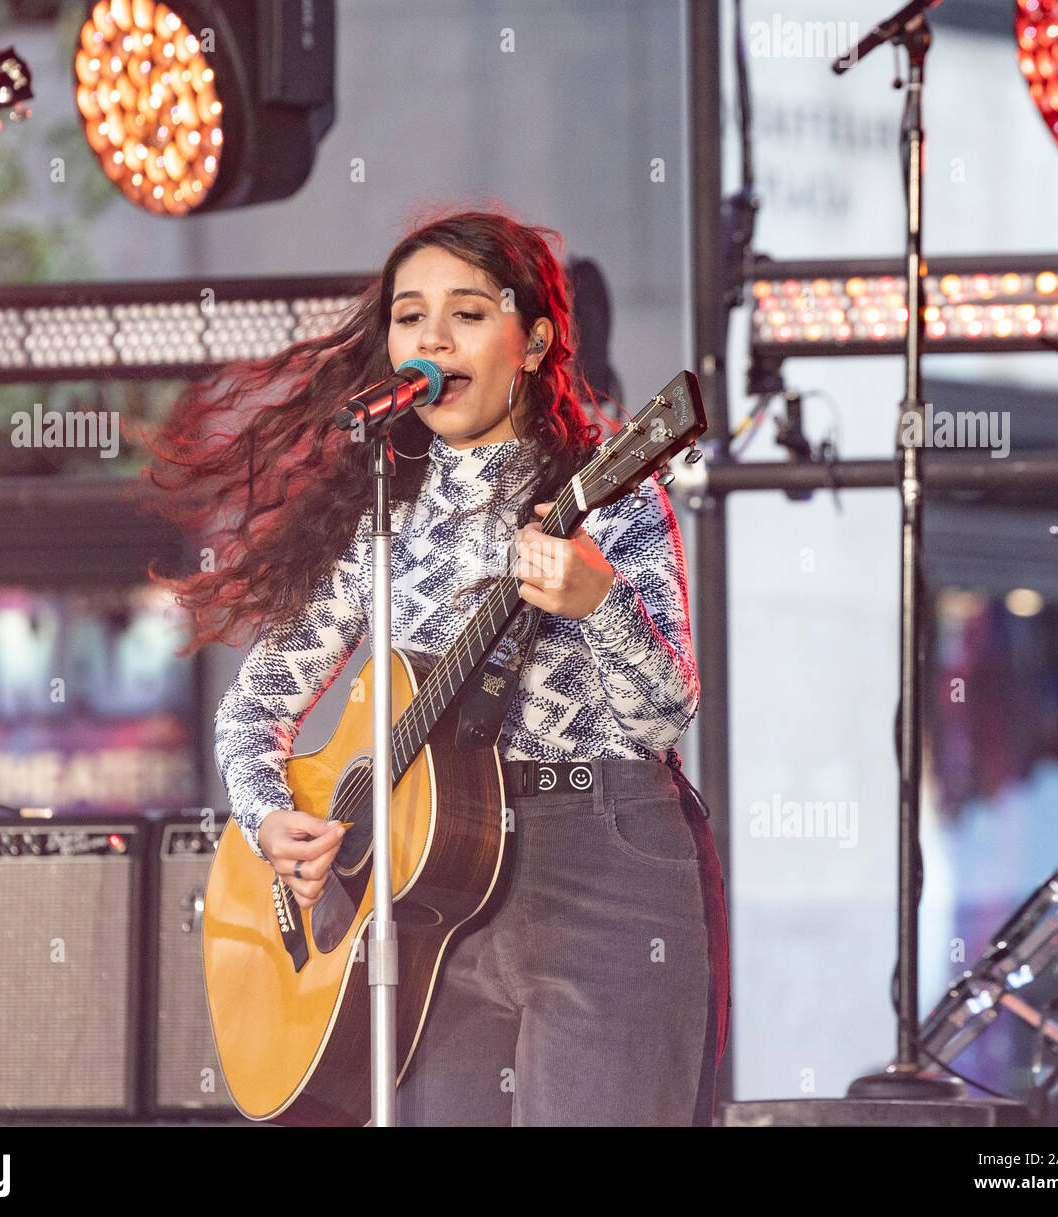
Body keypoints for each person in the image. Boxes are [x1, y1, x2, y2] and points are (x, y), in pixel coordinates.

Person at [149, 206, 728, 1126]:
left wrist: (601, 604)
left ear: (533, 341)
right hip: (431, 901)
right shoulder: (383, 521)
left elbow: (663, 719)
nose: (431, 336)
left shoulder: (611, 491)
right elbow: (251, 708)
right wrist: (269, 817)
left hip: (602, 862)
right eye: (410, 315)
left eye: (466, 312)